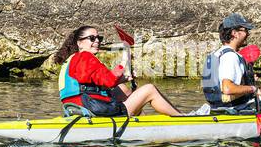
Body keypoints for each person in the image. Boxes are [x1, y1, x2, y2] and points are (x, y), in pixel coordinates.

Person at [55, 25, 183, 117]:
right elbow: (109, 80)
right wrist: (123, 62)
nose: (97, 41)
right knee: (149, 89)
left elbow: (98, 82)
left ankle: (141, 121)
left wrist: (124, 79)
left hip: (76, 107)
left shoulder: (73, 59)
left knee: (122, 88)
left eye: (99, 38)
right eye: (92, 38)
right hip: (93, 107)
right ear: (79, 43)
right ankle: (181, 119)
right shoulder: (86, 57)